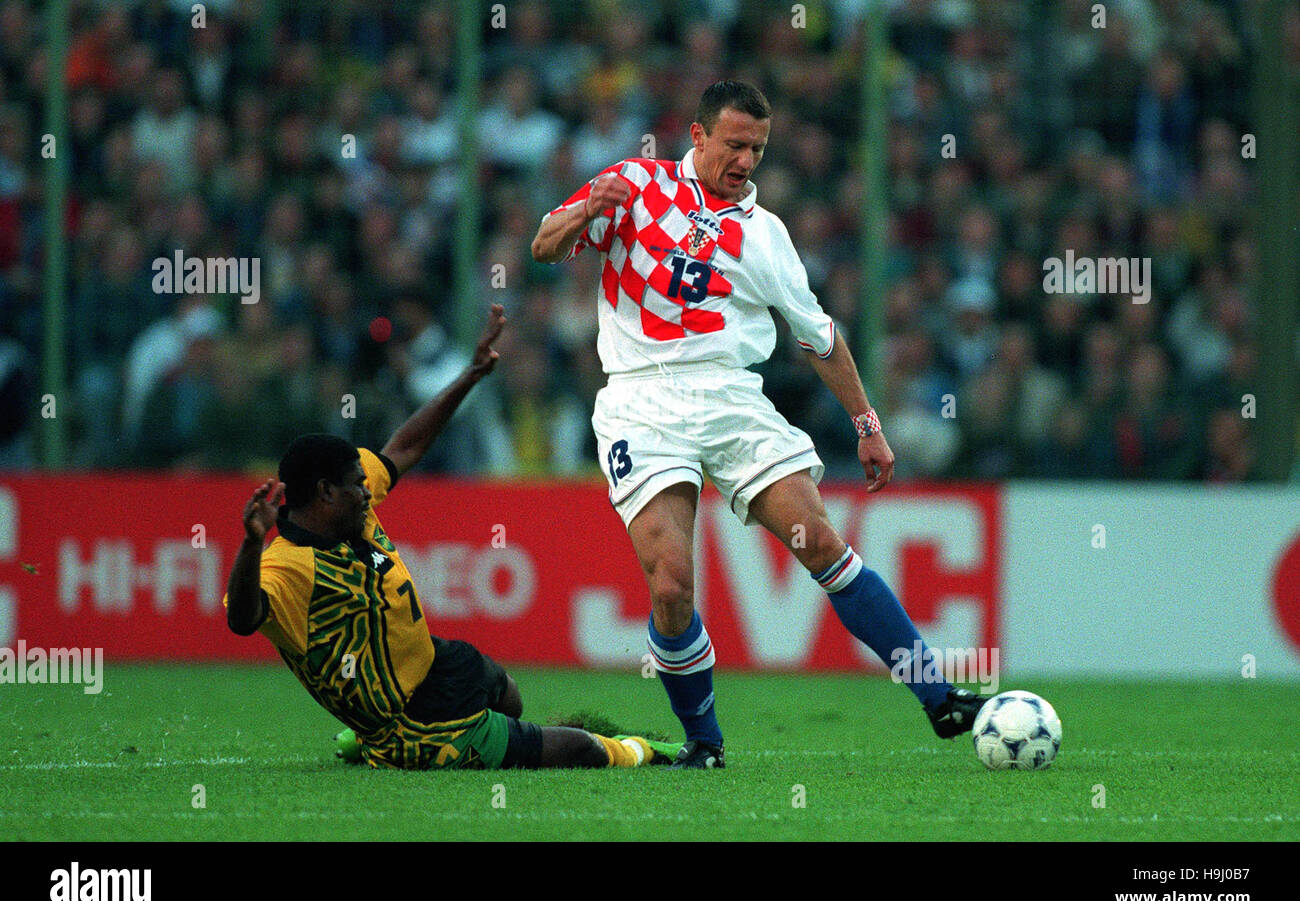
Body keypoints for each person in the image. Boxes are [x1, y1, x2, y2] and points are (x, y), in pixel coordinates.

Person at [532, 81, 987, 769]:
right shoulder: (633, 183)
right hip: (642, 402)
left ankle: (941, 697)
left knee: (823, 546)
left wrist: (867, 422)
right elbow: (542, 245)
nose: (746, 159)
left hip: (733, 402)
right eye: (735, 144)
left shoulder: (766, 235)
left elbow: (819, 337)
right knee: (670, 586)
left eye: (758, 149)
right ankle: (705, 745)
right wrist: (584, 214)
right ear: (698, 136)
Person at [224, 305, 678, 771]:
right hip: (411, 721)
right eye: (357, 485)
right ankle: (651, 752)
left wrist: (472, 374)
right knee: (580, 749)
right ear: (324, 493)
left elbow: (404, 448)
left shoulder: (347, 509)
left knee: (509, 696)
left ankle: (372, 736)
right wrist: (250, 544)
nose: (368, 491)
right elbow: (242, 619)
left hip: (434, 661)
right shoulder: (288, 567)